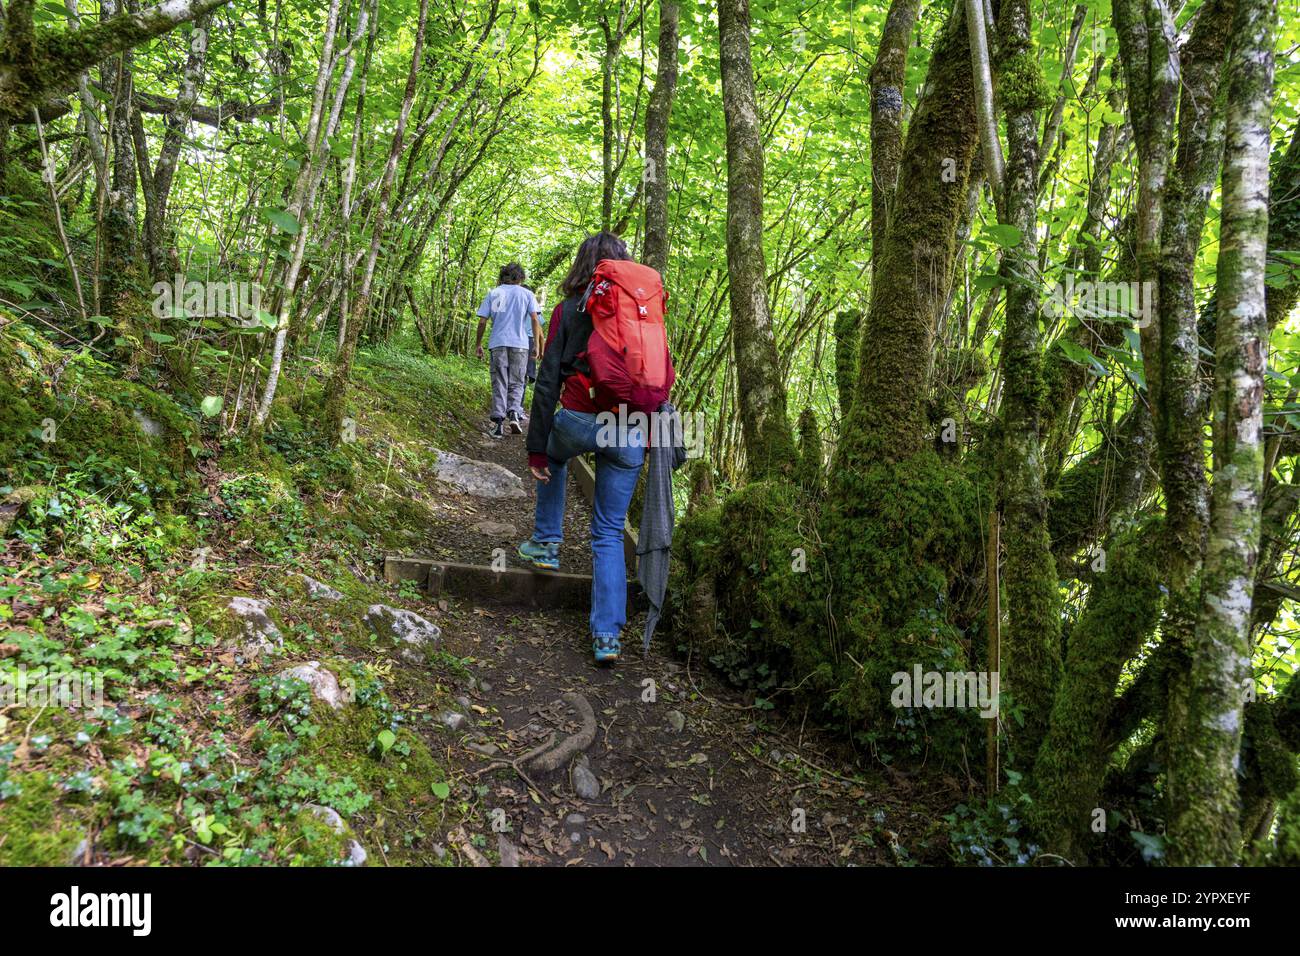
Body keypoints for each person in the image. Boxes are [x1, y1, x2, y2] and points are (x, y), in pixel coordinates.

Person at [518, 232, 675, 664]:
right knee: (608, 530)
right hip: (627, 429)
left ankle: (547, 543)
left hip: (578, 419)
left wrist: (535, 449)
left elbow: (548, 379)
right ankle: (606, 635)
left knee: (553, 455)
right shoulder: (642, 318)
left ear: (581, 265)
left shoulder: (567, 309)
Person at [475, 263, 541, 438]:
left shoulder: (495, 293)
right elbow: (535, 319)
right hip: (520, 344)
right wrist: (537, 345)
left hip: (498, 343)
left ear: (502, 276)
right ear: (520, 277)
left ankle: (497, 425)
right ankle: (514, 414)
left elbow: (482, 322)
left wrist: (478, 343)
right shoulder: (527, 294)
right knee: (518, 381)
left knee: (500, 382)